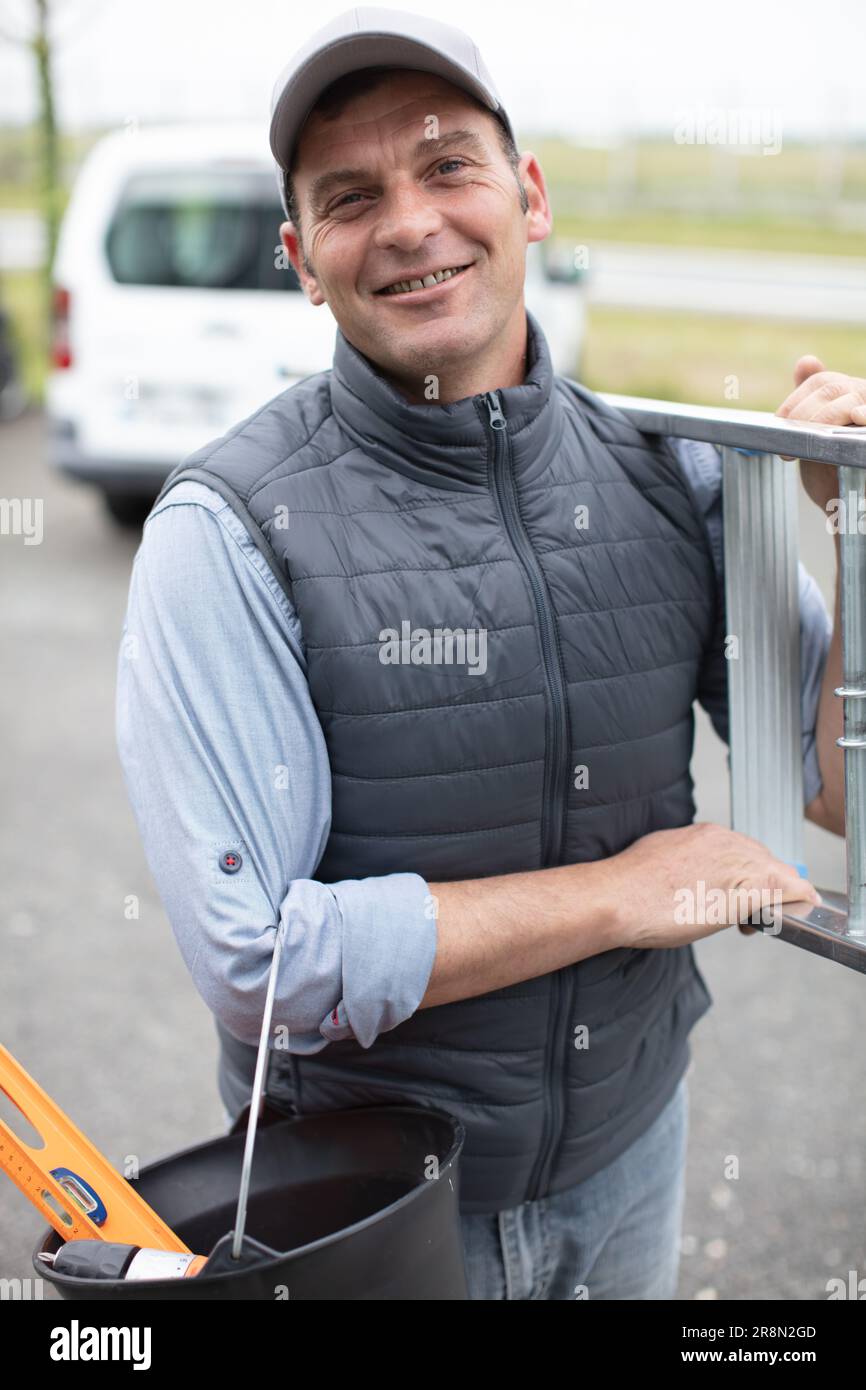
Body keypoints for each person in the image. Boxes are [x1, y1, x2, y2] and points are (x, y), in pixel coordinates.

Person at [116, 8, 853, 1299]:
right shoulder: (224, 533)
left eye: (447, 165)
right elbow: (260, 962)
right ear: (302, 260)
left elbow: (834, 793)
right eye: (350, 197)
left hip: (632, 1155)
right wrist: (617, 893)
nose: (409, 223)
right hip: (372, 1210)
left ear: (531, 197)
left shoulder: (670, 475)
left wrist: (854, 533)